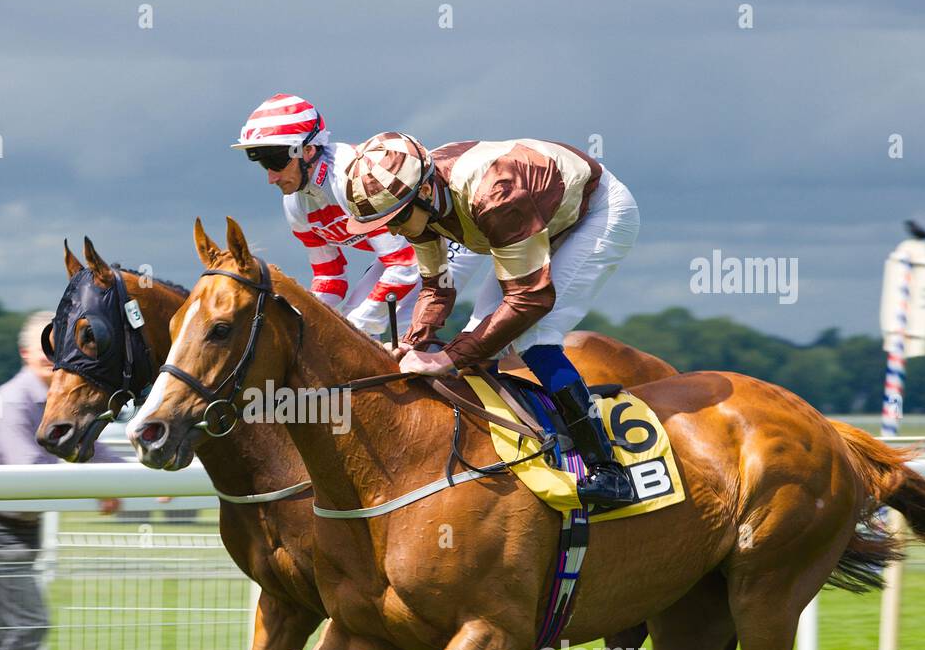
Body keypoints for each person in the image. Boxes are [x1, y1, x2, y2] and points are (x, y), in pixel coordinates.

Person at [342, 133, 641, 507]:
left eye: (397, 218)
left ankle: (609, 471)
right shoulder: (420, 200)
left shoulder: (495, 196)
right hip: (537, 214)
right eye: (383, 224)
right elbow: (438, 286)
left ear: (425, 194)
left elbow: (531, 299)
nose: (393, 231)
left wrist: (446, 358)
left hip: (596, 214)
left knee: (533, 336)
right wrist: (413, 343)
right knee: (476, 335)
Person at [231, 94, 500, 336]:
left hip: (450, 235)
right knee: (345, 327)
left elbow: (404, 267)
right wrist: (300, 321)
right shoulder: (295, 203)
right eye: (263, 164)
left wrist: (351, 330)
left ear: (309, 150)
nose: (270, 177)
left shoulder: (351, 182)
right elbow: (330, 278)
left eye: (275, 162)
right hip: (403, 252)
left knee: (396, 331)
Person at [0, 311, 119, 650]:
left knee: (1, 630)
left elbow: (92, 446)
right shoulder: (13, 400)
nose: (53, 362)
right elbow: (30, 468)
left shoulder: (58, 396)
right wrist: (97, 486)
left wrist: (132, 477)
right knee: (29, 621)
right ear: (24, 354)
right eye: (44, 353)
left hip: (22, 527)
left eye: (58, 353)